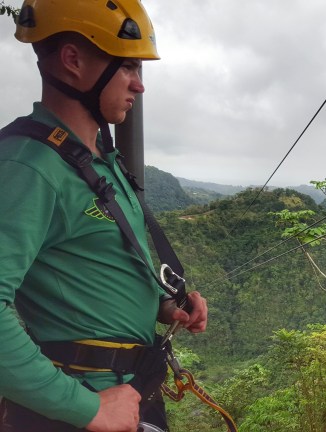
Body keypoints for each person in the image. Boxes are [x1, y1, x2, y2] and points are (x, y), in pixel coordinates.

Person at [0, 1, 208, 431]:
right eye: (129, 67)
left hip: (126, 393)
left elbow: (92, 264)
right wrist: (87, 409)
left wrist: (164, 305)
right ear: (73, 60)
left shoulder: (95, 158)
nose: (139, 86)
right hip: (81, 403)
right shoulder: (30, 166)